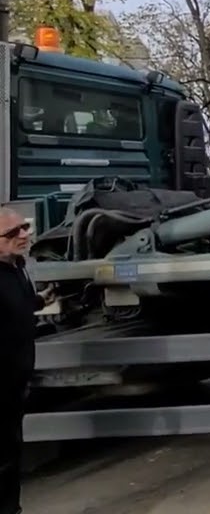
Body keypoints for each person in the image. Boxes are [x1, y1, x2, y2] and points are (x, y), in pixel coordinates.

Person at [0, 207, 52, 514]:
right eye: (12, 233)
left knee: (11, 452)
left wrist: (42, 299)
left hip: (14, 382)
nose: (23, 236)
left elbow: (21, 303)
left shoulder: (17, 267)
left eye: (25, 228)